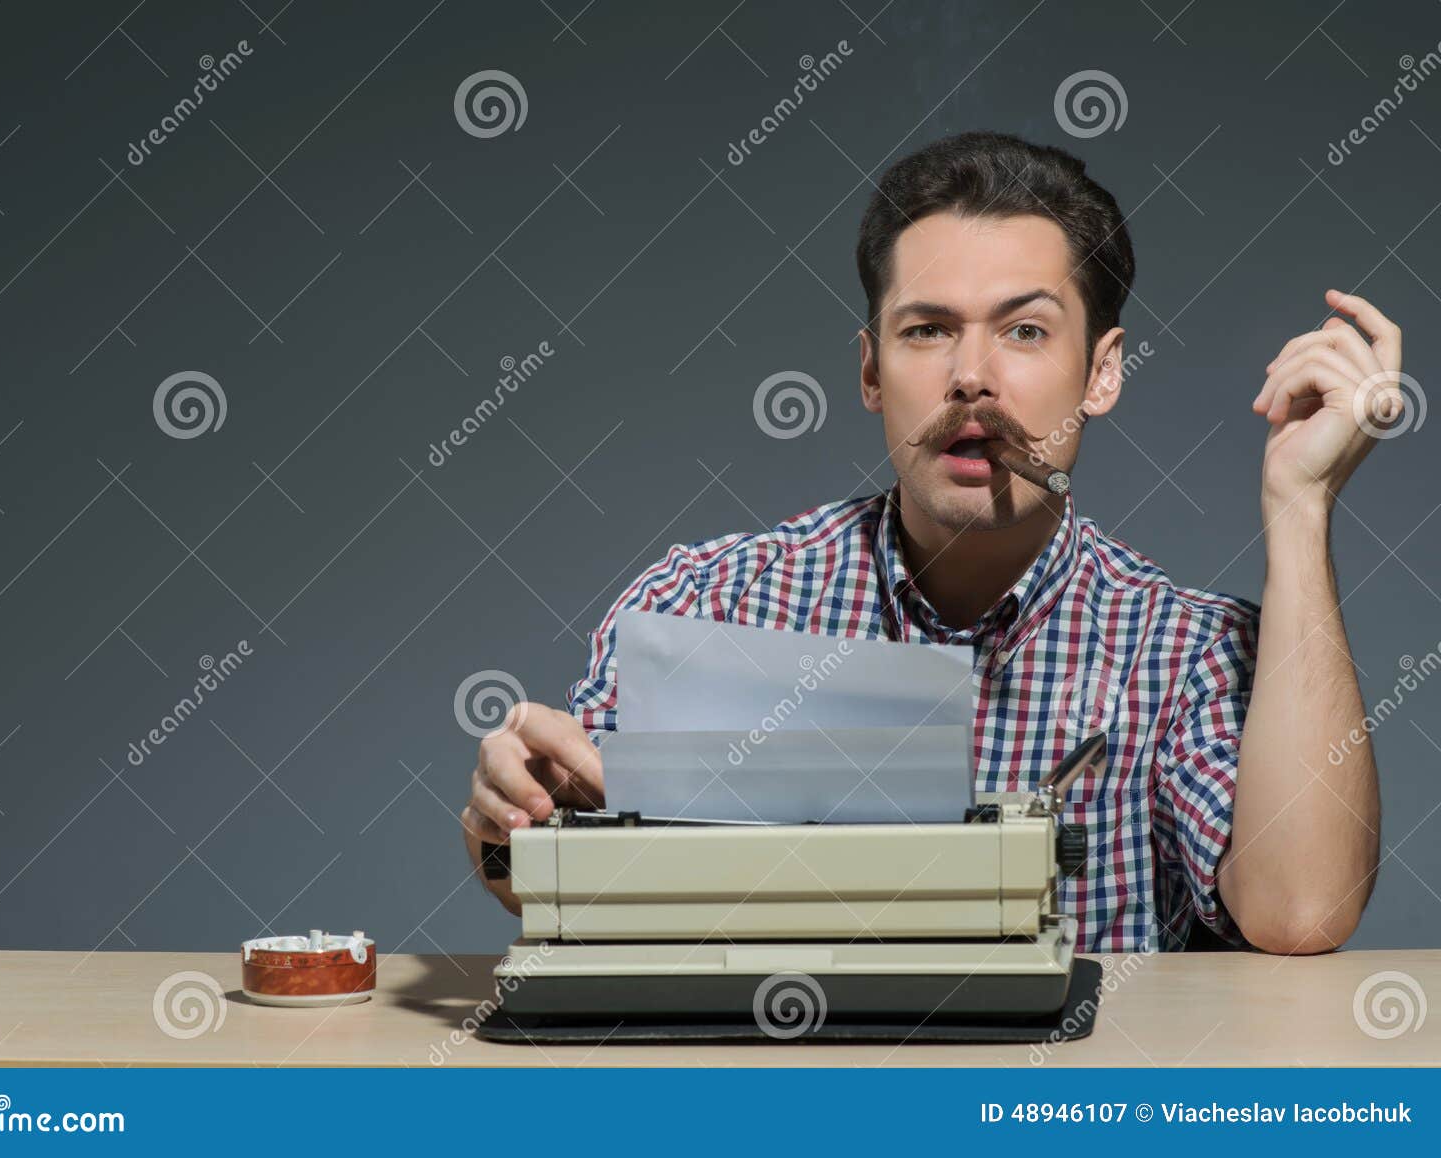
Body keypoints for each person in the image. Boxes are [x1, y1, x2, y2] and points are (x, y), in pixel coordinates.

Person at [460, 130, 1391, 954]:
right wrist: (508, 824)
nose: (971, 379)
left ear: (1101, 373)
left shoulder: (1187, 653)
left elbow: (1299, 913)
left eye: (1025, 331)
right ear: (871, 371)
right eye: (927, 331)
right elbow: (554, 881)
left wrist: (1300, 505)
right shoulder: (708, 602)